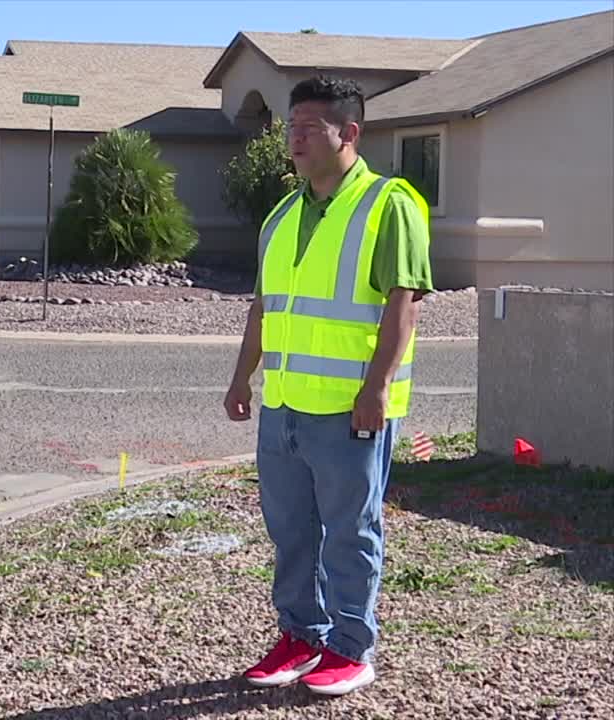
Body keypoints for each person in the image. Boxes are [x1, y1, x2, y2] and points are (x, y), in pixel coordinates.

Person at [224, 75, 433, 696]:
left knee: (350, 529)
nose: (295, 138)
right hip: (284, 405)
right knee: (290, 530)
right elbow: (265, 306)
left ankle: (350, 646)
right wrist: (243, 377)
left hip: (350, 409)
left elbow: (405, 302)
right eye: (291, 127)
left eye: (310, 127)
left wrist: (378, 388)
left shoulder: (388, 203)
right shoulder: (283, 214)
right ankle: (300, 634)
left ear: (350, 133)